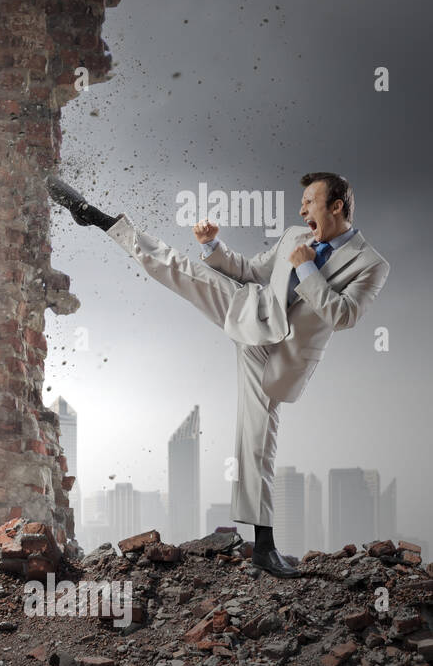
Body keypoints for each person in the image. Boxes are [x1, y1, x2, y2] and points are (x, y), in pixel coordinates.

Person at [47, 173, 390, 578]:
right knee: (185, 269)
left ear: (337, 206)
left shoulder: (371, 264)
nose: (300, 210)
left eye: (309, 202)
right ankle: (101, 220)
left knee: (257, 439)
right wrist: (213, 245)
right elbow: (251, 272)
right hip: (249, 310)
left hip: (281, 356)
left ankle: (264, 548)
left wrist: (309, 270)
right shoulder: (295, 235)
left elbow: (344, 315)